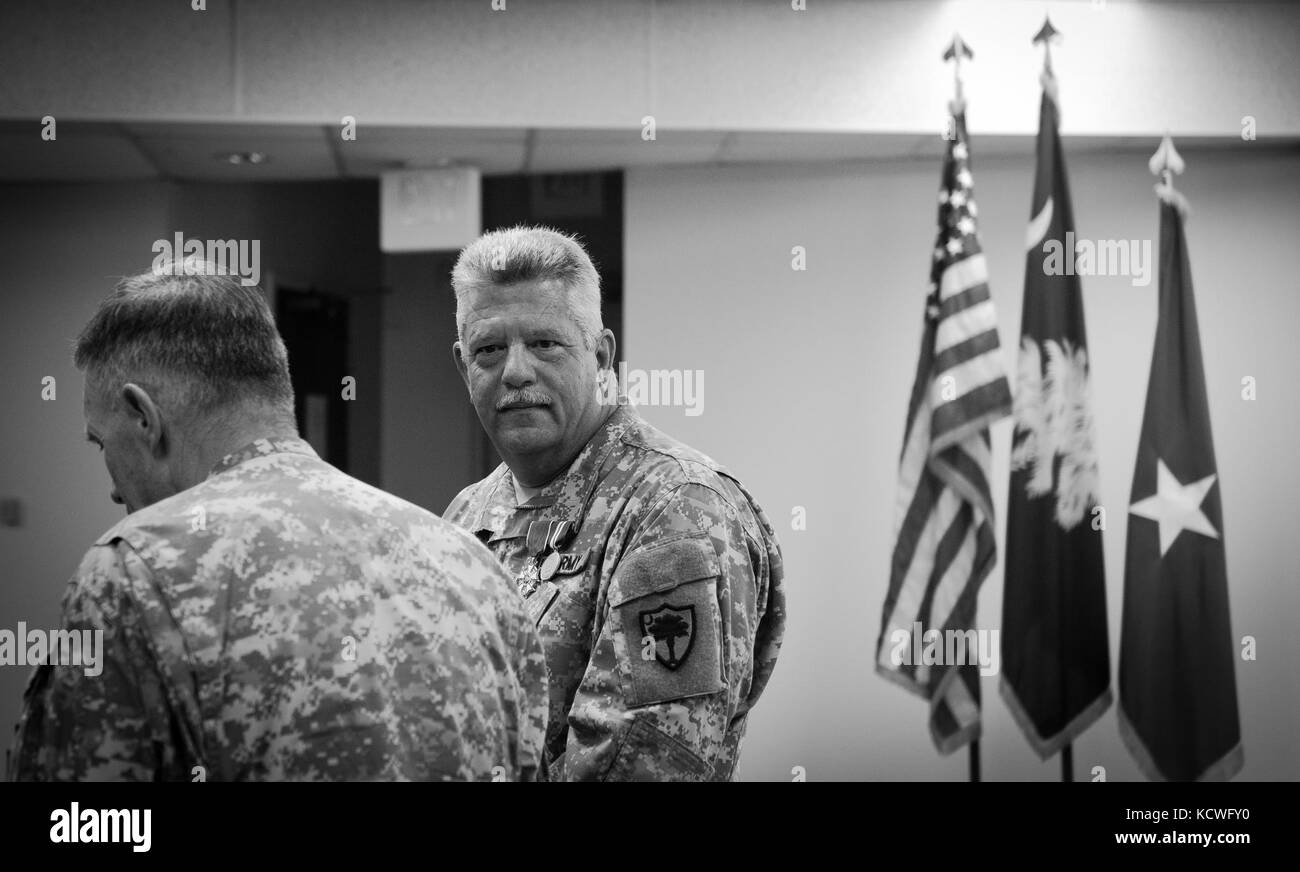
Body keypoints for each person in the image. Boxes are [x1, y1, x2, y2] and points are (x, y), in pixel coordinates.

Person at [7, 261, 547, 782]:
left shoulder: (133, 575)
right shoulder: (473, 566)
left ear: (144, 417)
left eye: (103, 443)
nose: (110, 485)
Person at [445, 226, 786, 781]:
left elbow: (641, 763)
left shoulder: (676, 510)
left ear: (601, 354)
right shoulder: (466, 517)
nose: (515, 371)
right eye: (489, 349)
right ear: (464, 366)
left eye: (544, 343)